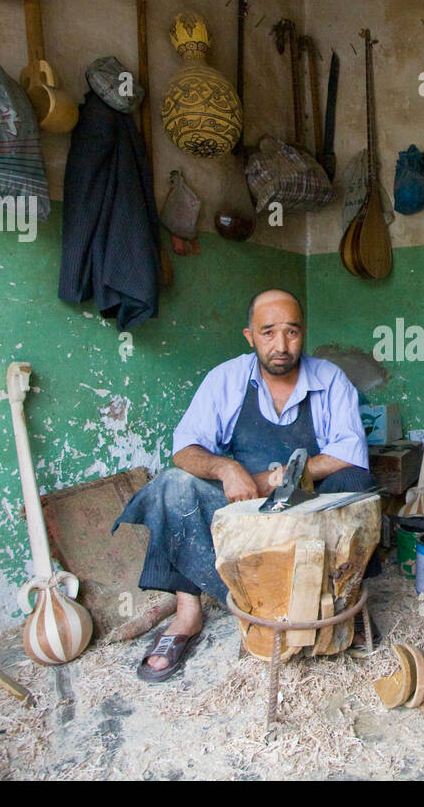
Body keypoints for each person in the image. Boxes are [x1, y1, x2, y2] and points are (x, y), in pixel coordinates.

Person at [114, 288, 376, 682]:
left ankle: (339, 603)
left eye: (291, 332)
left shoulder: (329, 378)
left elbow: (349, 451)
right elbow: (184, 448)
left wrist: (280, 478)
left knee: (355, 482)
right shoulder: (226, 378)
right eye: (268, 333)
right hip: (242, 505)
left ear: (303, 333)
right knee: (174, 486)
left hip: (303, 500)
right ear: (249, 335)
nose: (281, 345)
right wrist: (224, 469)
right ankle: (187, 617)